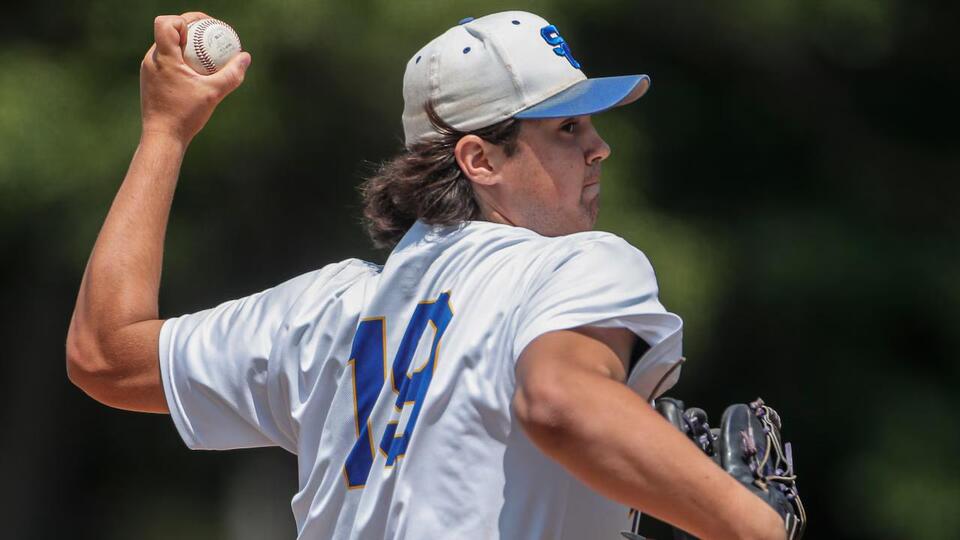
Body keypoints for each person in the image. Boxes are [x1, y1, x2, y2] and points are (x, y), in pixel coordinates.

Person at [66, 10, 787, 540]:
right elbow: (560, 402)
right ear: (480, 160)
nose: (599, 148)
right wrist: (750, 525)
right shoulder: (576, 266)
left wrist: (165, 132)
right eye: (567, 127)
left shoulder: (325, 309)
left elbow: (104, 355)